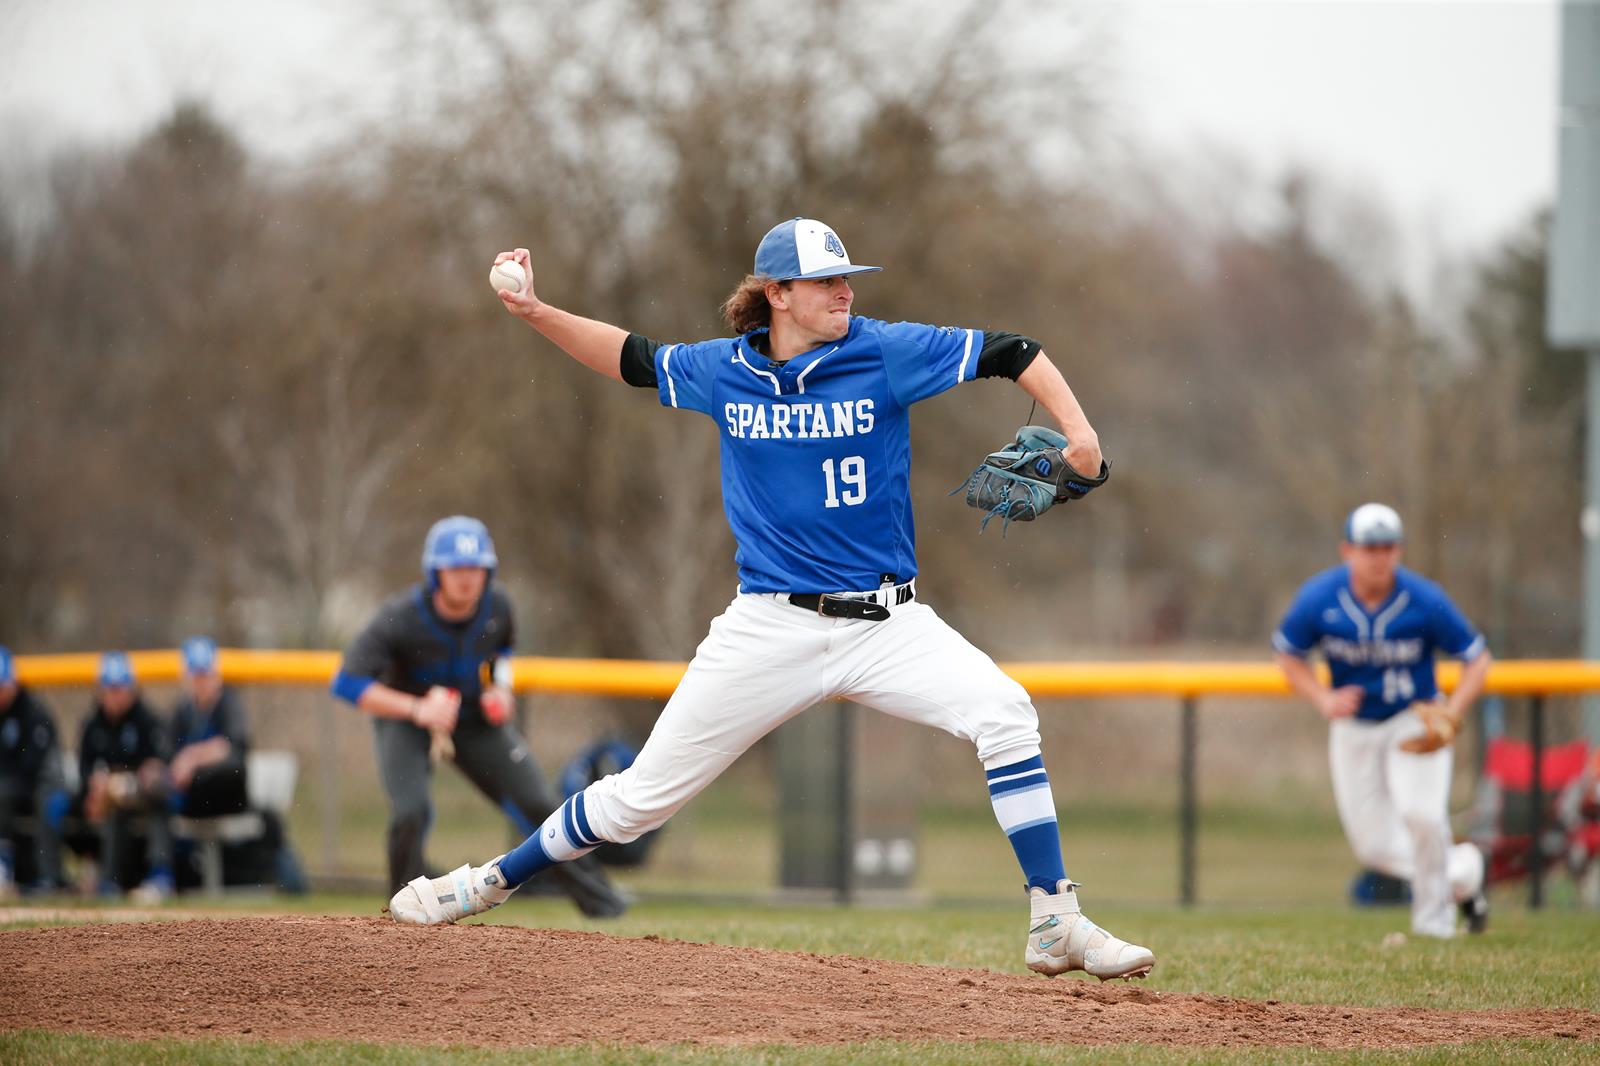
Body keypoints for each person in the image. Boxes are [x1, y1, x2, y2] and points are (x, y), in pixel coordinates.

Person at [389, 217, 1155, 982]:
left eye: (846, 278)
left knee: (1005, 713)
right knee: (636, 803)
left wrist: (1079, 434)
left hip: (888, 624)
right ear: (777, 294)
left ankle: (1054, 918)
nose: (845, 292)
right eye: (827, 281)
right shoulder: (724, 371)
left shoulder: (882, 351)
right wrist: (534, 311)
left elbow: (1011, 351)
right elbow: (631, 358)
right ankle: (486, 883)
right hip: (767, 626)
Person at [331, 516, 627, 917]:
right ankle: (404, 908)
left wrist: (500, 690)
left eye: (475, 568)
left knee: (539, 803)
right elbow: (347, 682)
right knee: (410, 811)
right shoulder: (401, 616)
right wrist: (417, 708)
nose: (466, 578)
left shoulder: (497, 606)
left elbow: (502, 653)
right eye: (455, 568)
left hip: (473, 719)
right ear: (436, 573)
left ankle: (604, 907)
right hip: (408, 720)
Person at [1273, 503, 1492, 938]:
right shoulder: (1321, 597)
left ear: (1399, 550)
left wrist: (1453, 710)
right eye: (1369, 547)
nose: (1379, 557)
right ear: (1347, 550)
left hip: (1415, 720)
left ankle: (1434, 924)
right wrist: (1322, 697)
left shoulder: (1422, 598)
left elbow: (1477, 658)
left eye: (1388, 547)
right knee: (1373, 846)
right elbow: (1287, 653)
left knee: (1423, 816)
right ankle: (1463, 872)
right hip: (1354, 726)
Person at [75, 651, 175, 901]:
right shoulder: (93, 724)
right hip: (109, 801)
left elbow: (160, 767)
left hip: (144, 795)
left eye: (120, 689)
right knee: (68, 804)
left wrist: (124, 781)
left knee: (157, 799)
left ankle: (160, 875)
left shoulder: (147, 720)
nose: (116, 696)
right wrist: (95, 787)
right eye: (110, 689)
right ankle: (108, 878)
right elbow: (85, 769)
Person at [0, 645, 68, 896]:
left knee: (46, 802)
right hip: (11, 784)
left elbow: (32, 765)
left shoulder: (34, 712)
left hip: (41, 783)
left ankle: (48, 877)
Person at [168, 637, 250, 818]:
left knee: (229, 769)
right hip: (191, 796)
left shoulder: (228, 702)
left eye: (205, 675)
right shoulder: (183, 710)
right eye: (196, 676)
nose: (202, 682)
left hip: (225, 796)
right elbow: (169, 751)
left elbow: (232, 746)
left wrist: (192, 758)